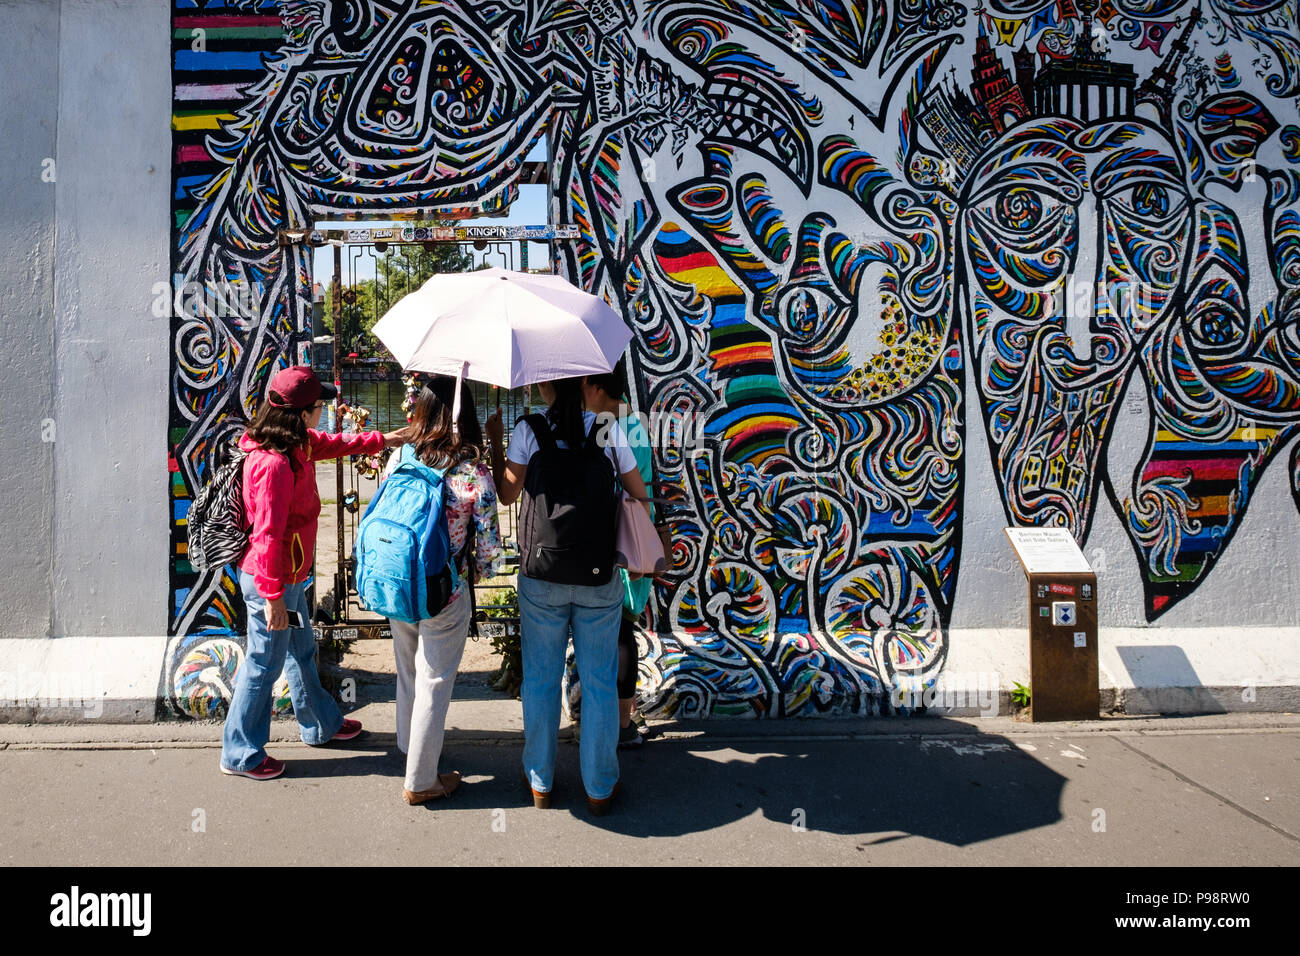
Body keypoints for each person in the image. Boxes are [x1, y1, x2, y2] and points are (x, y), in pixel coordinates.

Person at [220, 366, 408, 780]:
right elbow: (267, 536)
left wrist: (386, 439)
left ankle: (320, 725)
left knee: (300, 652)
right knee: (262, 664)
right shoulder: (272, 465)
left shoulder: (295, 445)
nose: (323, 412)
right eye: (320, 406)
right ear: (302, 413)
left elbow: (335, 443)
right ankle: (240, 752)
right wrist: (272, 599)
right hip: (272, 579)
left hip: (289, 576)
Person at [487, 377, 651, 815]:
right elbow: (638, 495)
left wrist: (493, 444)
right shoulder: (606, 429)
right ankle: (599, 785)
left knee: (540, 678)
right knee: (598, 681)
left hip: (541, 575)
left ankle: (540, 780)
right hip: (598, 576)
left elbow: (506, 495)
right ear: (581, 386)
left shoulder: (528, 430)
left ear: (548, 388)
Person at [386, 375, 503, 805]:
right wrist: (480, 570)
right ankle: (420, 779)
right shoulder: (472, 472)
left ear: (420, 412)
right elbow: (489, 551)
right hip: (444, 590)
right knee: (435, 679)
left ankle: (409, 746)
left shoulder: (400, 456)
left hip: (398, 582)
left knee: (408, 670)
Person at [582, 363, 653, 747]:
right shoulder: (631, 419)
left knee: (621, 631)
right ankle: (624, 719)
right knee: (623, 627)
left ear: (596, 384)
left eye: (582, 382)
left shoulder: (609, 426)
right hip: (633, 529)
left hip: (619, 533)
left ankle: (621, 723)